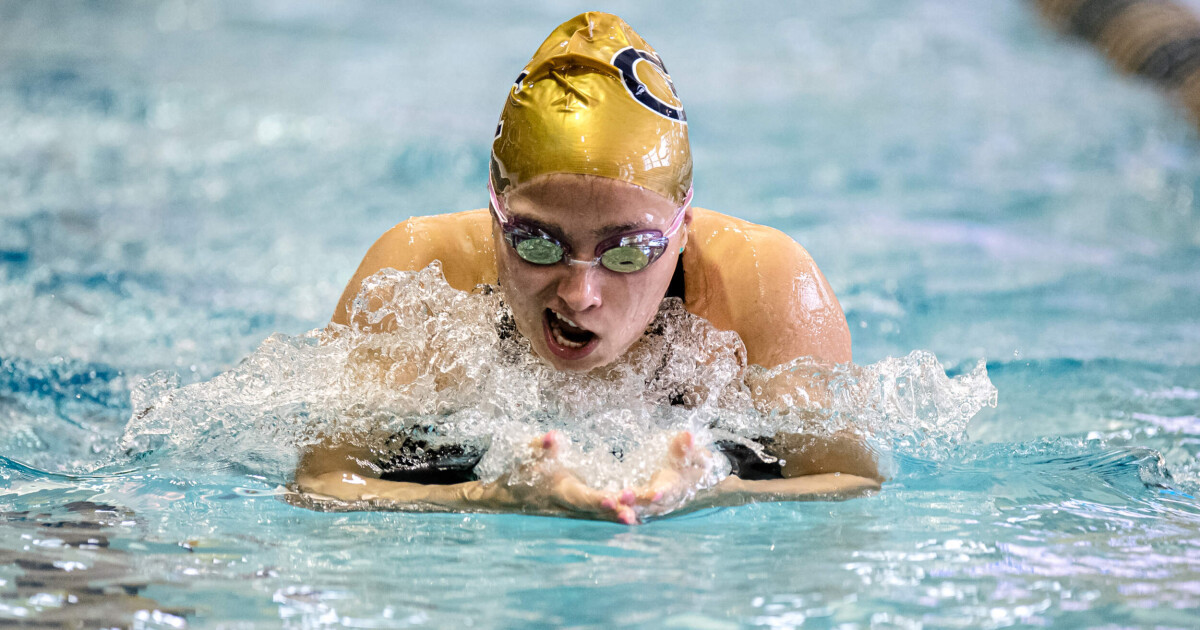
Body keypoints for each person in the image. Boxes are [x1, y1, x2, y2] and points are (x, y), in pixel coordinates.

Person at [294, 12, 881, 524]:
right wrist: (488, 498)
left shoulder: (765, 285)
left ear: (682, 227)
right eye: (537, 244)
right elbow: (320, 485)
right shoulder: (419, 276)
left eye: (627, 253)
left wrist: (712, 493)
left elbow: (851, 485)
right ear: (494, 214)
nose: (580, 294)